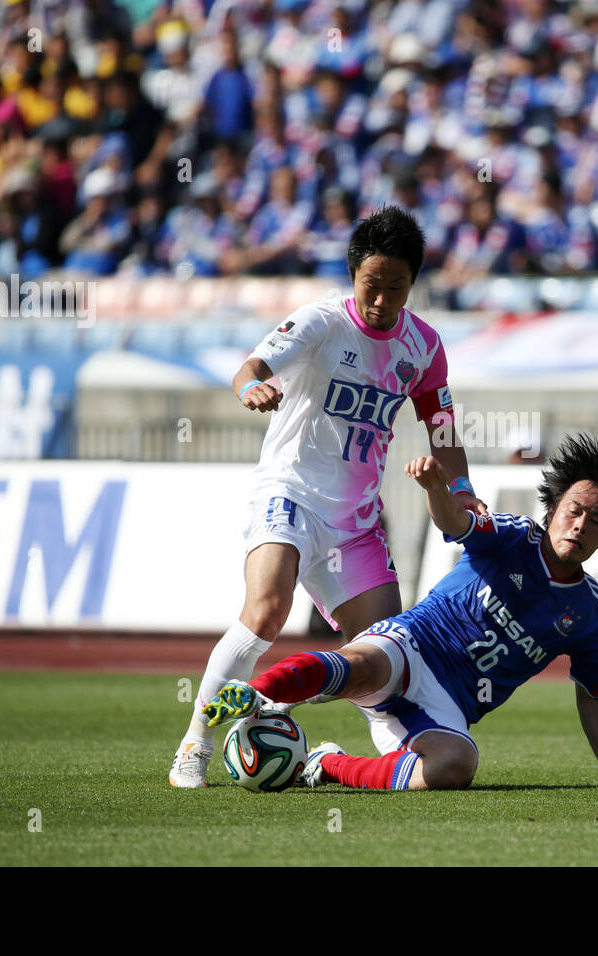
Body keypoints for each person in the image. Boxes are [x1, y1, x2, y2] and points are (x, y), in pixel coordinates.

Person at [169, 205, 487, 787]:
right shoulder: (320, 322)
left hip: (357, 525)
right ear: (353, 276)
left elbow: (442, 429)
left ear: (412, 284)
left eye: (397, 288)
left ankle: (385, 761)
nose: (382, 301)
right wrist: (253, 388)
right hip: (288, 491)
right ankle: (195, 743)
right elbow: (252, 365)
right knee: (267, 608)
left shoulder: (423, 346)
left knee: (385, 658)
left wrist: (463, 491)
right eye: (373, 286)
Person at [203, 434, 598, 791]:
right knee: (360, 662)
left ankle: (325, 764)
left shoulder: (588, 613)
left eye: (596, 521)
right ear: (553, 508)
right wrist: (436, 488)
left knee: (455, 766)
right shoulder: (511, 537)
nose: (580, 525)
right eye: (574, 511)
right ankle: (260, 691)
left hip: (442, 708)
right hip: (412, 645)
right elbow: (455, 522)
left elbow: (592, 696)